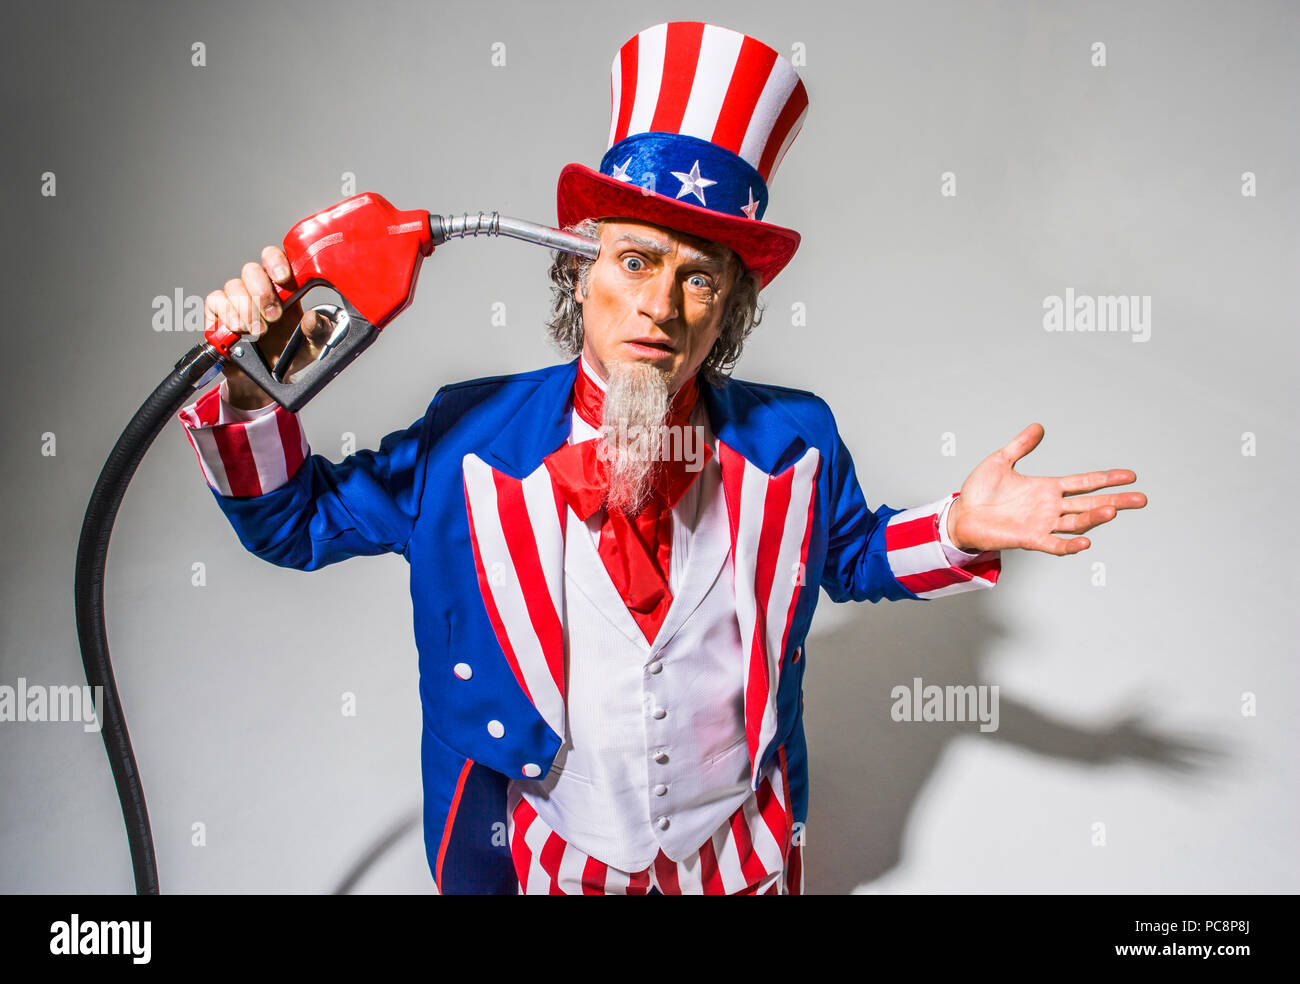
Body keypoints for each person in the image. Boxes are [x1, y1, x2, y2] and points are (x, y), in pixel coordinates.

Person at [177, 21, 1147, 894]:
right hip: (547, 859)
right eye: (635, 260)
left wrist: (957, 528)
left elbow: (845, 555)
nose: (660, 305)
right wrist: (256, 383)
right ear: (578, 267)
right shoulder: (463, 442)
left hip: (740, 861)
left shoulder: (793, 441)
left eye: (698, 277)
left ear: (728, 307)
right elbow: (293, 524)